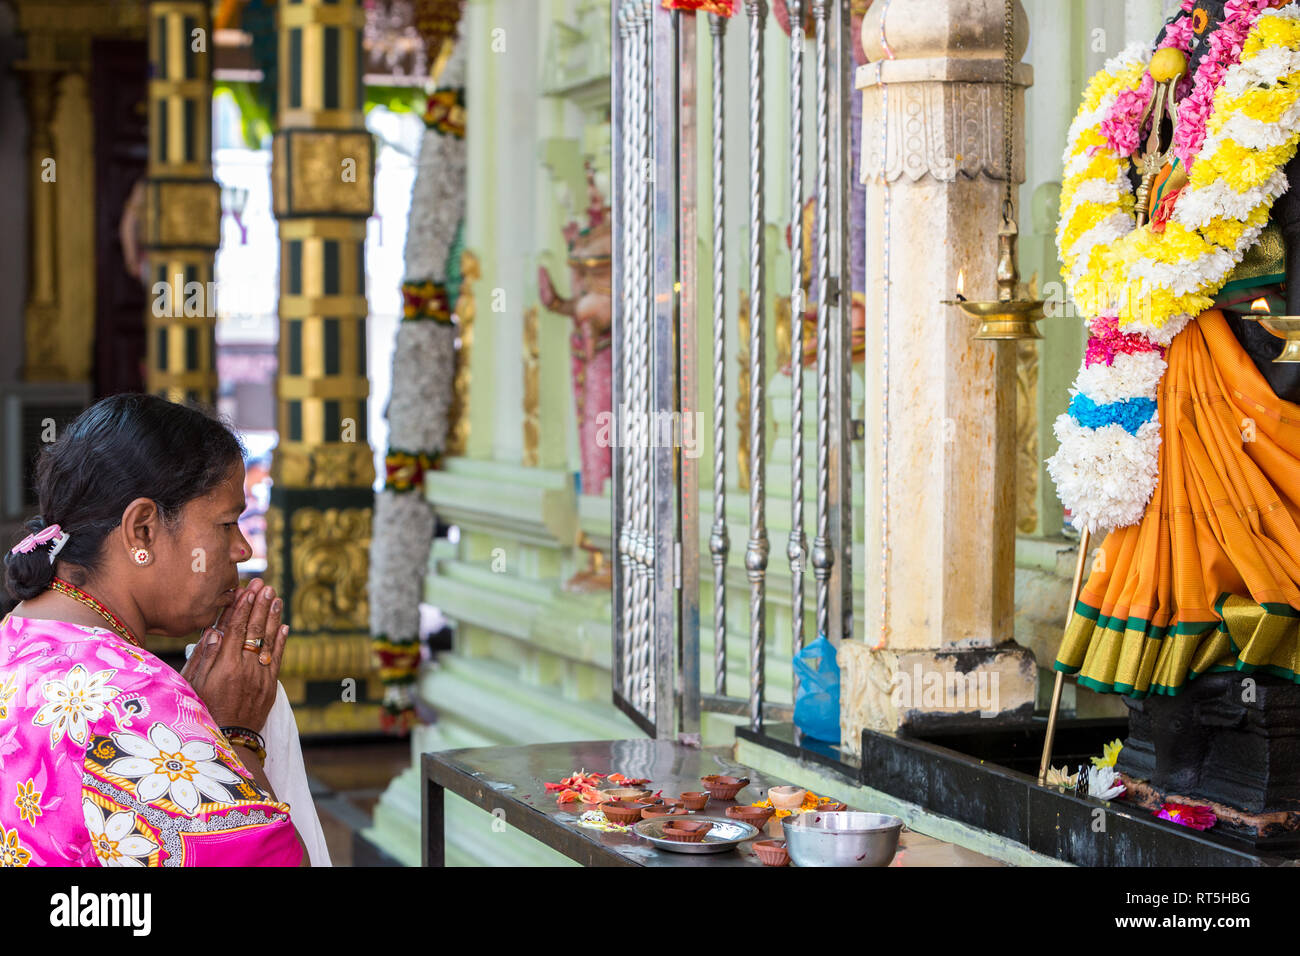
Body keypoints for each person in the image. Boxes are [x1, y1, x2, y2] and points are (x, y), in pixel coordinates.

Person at [0, 394, 307, 866]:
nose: (242, 549)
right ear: (142, 530)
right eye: (226, 524)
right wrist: (235, 736)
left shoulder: (15, 636)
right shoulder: (131, 703)